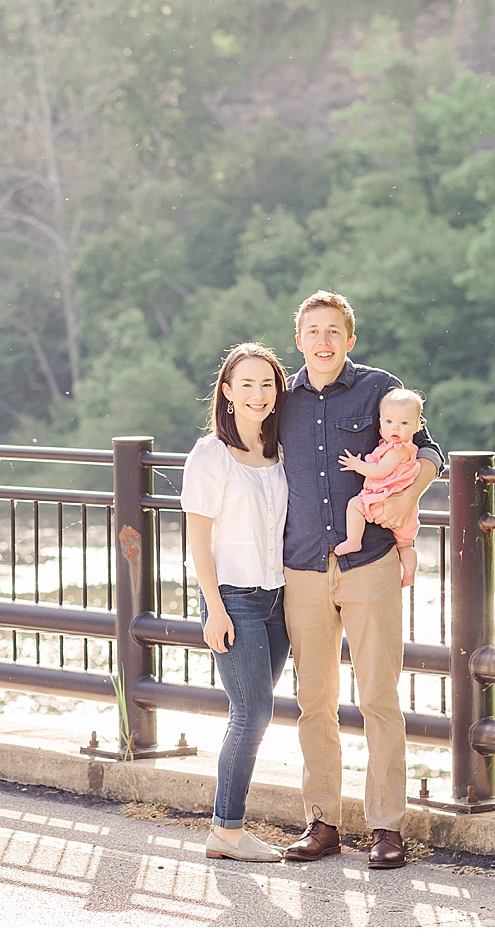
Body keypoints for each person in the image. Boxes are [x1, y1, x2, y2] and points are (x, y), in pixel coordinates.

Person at [278, 291, 442, 870]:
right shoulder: (281, 397)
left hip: (368, 562)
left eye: (334, 331)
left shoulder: (379, 389)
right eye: (312, 330)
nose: (323, 340)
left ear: (350, 339)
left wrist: (409, 499)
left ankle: (387, 828)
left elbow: (428, 451)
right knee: (314, 701)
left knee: (378, 697)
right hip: (301, 565)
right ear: (299, 339)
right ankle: (322, 822)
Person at [180, 342, 292, 863]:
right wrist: (214, 609)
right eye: (245, 384)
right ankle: (226, 830)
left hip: (278, 602)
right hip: (234, 601)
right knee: (252, 714)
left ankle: (227, 827)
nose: (257, 394)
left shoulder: (279, 452)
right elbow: (198, 540)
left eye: (266, 384)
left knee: (253, 713)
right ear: (226, 392)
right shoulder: (211, 454)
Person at [334, 388, 425, 587]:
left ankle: (353, 541)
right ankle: (409, 571)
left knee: (355, 505)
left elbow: (380, 471)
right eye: (389, 422)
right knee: (405, 545)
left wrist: (356, 465)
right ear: (381, 425)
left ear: (417, 427)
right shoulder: (405, 449)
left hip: (385, 500)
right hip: (405, 511)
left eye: (404, 423)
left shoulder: (397, 450)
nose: (396, 428)